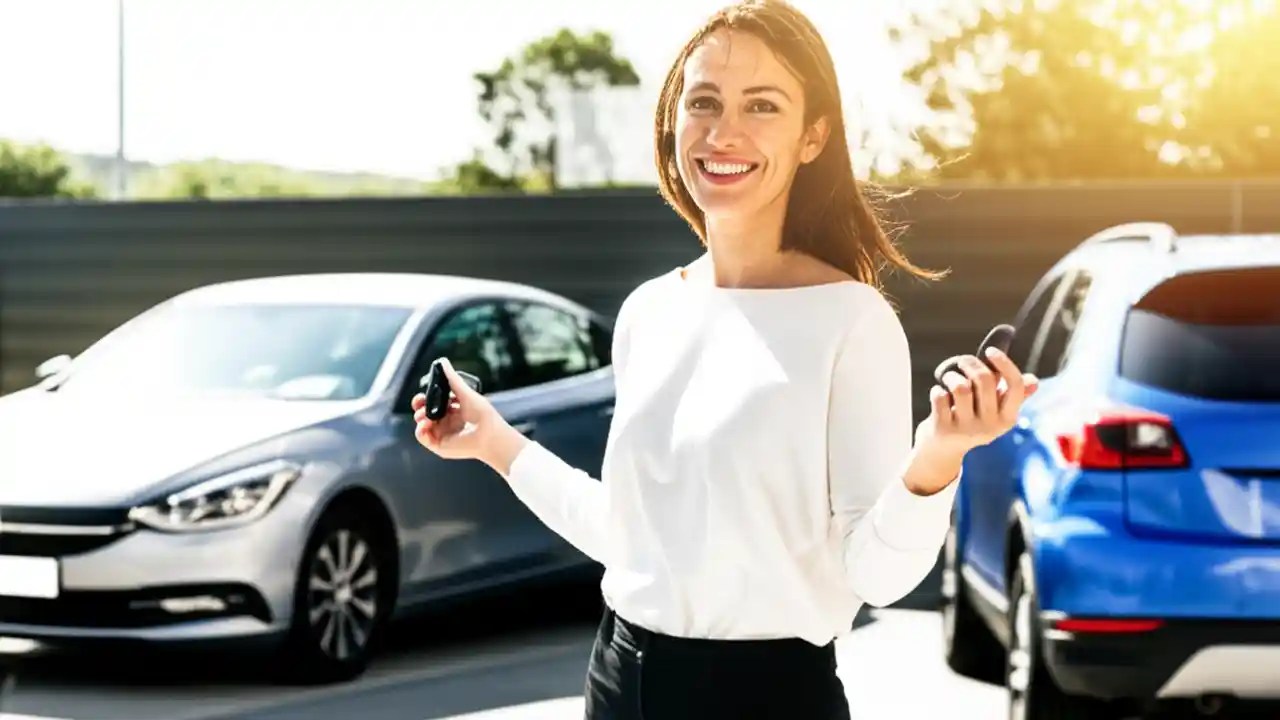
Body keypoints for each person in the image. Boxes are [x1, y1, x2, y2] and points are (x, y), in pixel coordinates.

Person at [412, 1, 1038, 717]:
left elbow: (876, 573)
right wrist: (495, 443)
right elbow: (629, 537)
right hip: (619, 683)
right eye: (703, 100)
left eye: (762, 105)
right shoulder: (650, 310)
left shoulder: (851, 320)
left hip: (767, 698)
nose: (724, 130)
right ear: (673, 121)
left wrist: (937, 458)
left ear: (813, 137)